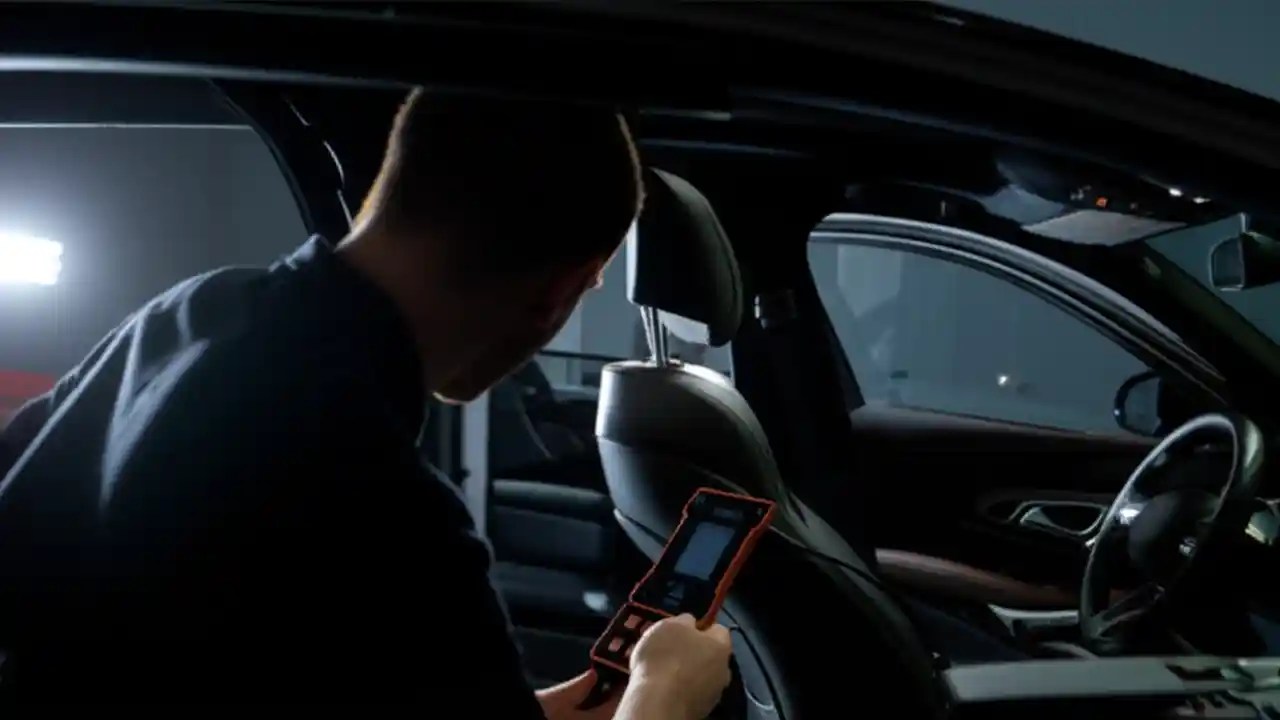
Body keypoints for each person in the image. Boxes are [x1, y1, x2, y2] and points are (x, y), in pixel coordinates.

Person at [0, 88, 733, 713]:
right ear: (557, 294)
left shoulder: (194, 313)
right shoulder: (392, 519)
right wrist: (664, 693)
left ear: (396, 179)